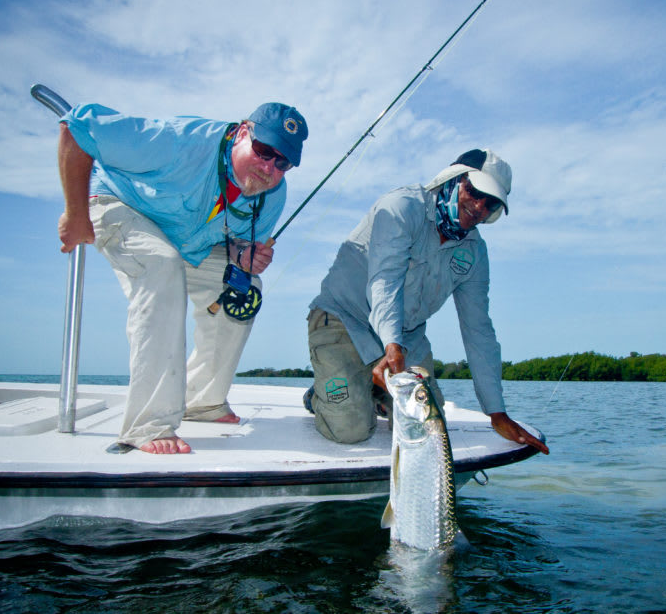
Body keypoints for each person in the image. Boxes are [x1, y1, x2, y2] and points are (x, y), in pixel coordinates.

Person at [57, 101, 308, 454]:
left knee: (244, 286)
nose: (268, 166)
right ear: (241, 133)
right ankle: (147, 424)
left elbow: (236, 242)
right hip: (121, 205)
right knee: (162, 265)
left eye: (282, 162)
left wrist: (243, 255)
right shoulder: (178, 141)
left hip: (189, 242)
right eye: (263, 150)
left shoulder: (272, 196)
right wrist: (75, 212)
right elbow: (77, 127)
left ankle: (202, 402)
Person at [305, 149, 548, 454]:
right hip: (344, 320)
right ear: (454, 179)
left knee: (429, 432)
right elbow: (384, 280)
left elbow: (478, 330)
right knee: (351, 431)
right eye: (474, 191)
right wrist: (390, 344)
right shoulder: (402, 207)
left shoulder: (474, 253)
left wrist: (496, 412)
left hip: (407, 340)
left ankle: (373, 389)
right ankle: (323, 395)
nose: (478, 206)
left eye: (491, 203)